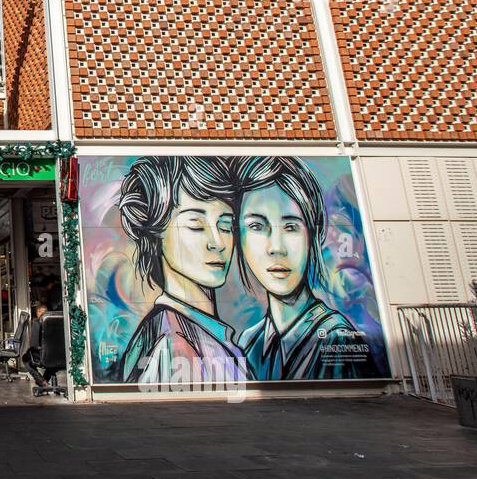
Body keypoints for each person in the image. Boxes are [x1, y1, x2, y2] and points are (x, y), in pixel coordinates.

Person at [234, 157, 382, 380]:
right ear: (239, 236)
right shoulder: (249, 342)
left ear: (315, 234)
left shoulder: (337, 338)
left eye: (291, 227)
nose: (276, 248)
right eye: (257, 226)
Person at [115, 156, 251, 386]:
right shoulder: (172, 342)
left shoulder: (198, 330)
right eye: (196, 225)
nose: (218, 242)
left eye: (226, 226)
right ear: (156, 233)